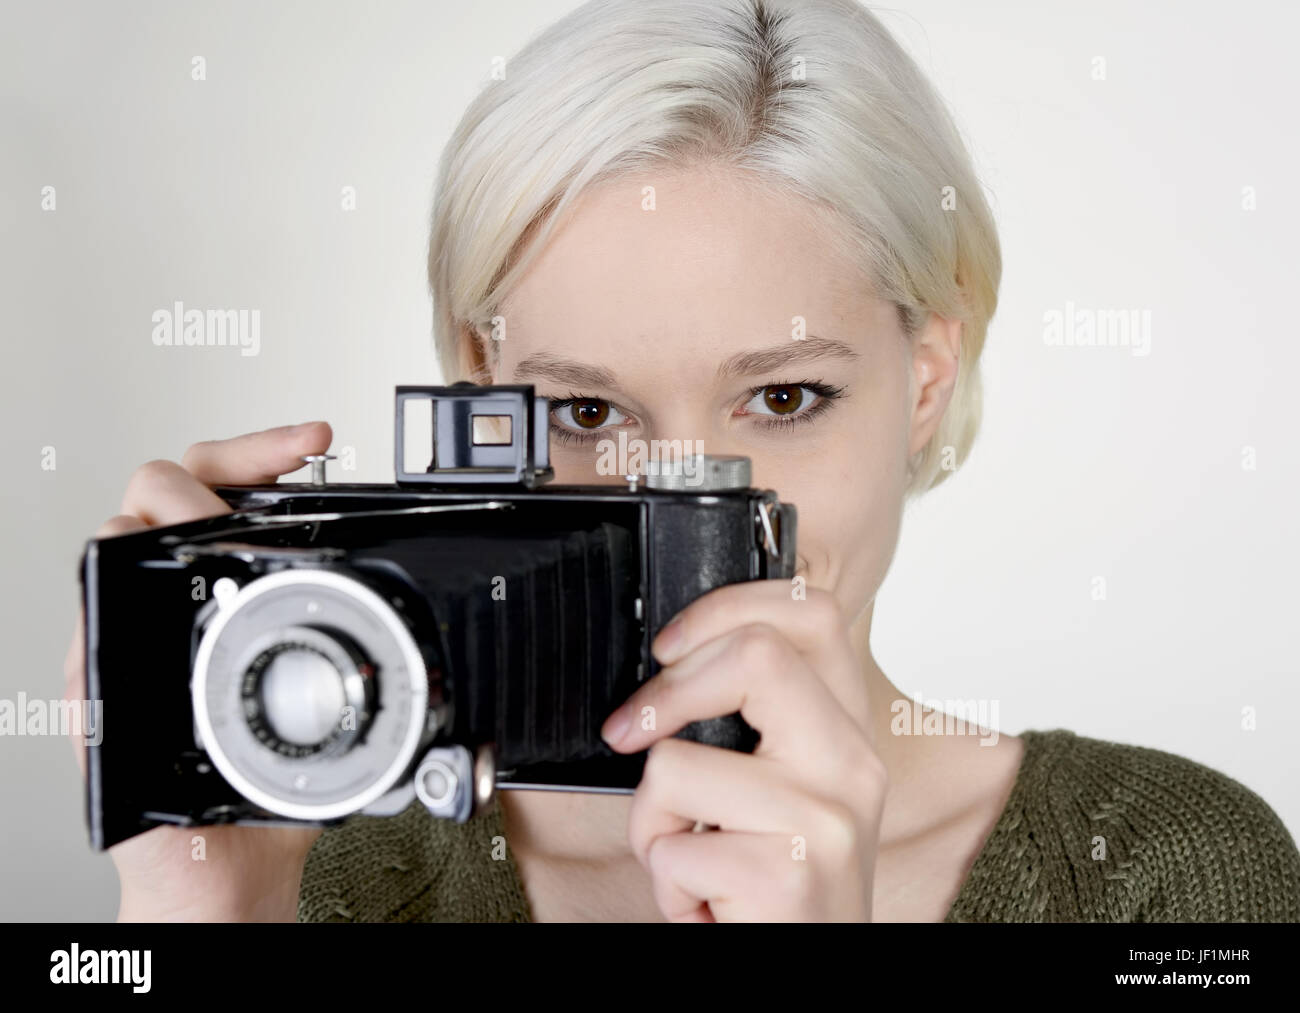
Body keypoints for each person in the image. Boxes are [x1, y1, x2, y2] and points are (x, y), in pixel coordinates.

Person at [65, 0, 1300, 922]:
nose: (677, 512)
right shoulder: (318, 872)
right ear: (475, 386)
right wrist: (201, 917)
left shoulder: (1163, 877)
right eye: (588, 413)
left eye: (782, 395)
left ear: (925, 379)